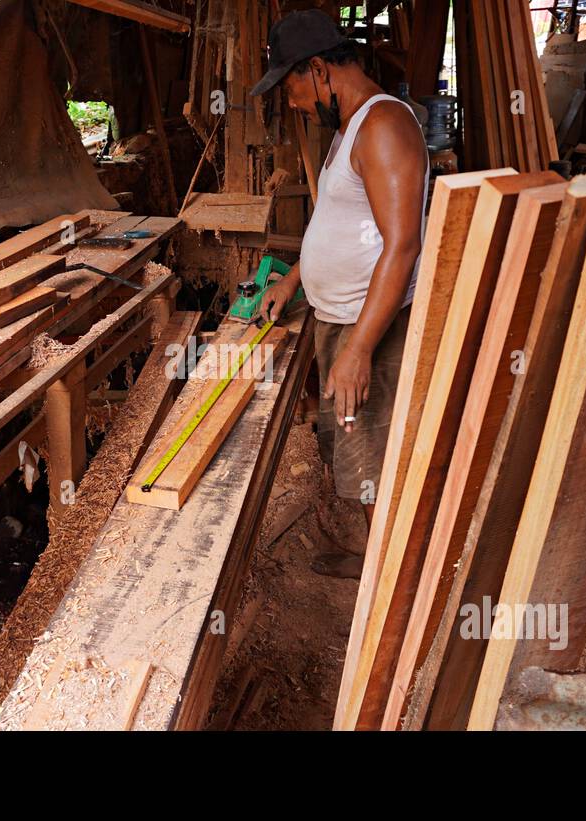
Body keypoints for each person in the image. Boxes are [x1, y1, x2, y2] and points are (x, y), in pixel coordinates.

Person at [253, 9, 429, 579]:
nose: (296, 105)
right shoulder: (349, 127)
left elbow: (402, 246)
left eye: (294, 89)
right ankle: (381, 558)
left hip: (370, 327)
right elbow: (341, 222)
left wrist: (358, 350)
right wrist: (293, 277)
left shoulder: (383, 126)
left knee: (378, 451)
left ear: (320, 69)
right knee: (358, 452)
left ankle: (396, 584)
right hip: (343, 321)